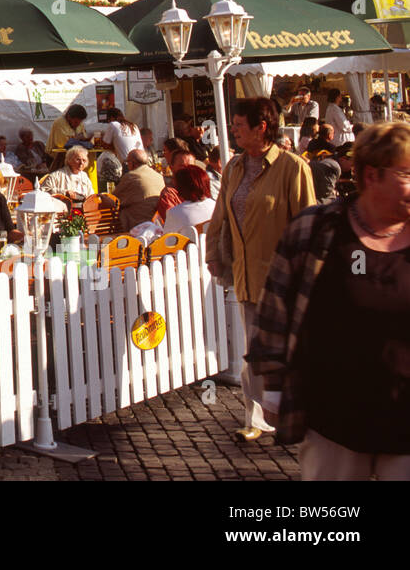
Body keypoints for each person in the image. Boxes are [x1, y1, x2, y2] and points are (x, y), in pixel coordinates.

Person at [248, 121, 410, 480]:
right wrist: (273, 387)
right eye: (407, 174)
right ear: (371, 176)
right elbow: (275, 309)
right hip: (334, 422)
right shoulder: (317, 230)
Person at [205, 97, 316, 442]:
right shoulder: (234, 168)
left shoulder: (293, 168)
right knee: (254, 349)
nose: (234, 130)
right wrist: (213, 252)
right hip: (245, 274)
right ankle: (256, 418)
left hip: (282, 279)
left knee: (285, 350)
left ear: (261, 127)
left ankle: (294, 410)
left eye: (239, 125)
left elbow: (307, 224)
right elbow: (221, 215)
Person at [134, 166, 214, 244]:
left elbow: (168, 243)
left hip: (187, 254)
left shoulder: (175, 213)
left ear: (180, 187)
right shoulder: (215, 205)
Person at [113, 149, 166, 231]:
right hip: (157, 223)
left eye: (128, 162)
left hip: (137, 225)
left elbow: (113, 198)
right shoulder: (158, 176)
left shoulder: (131, 176)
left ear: (132, 163)